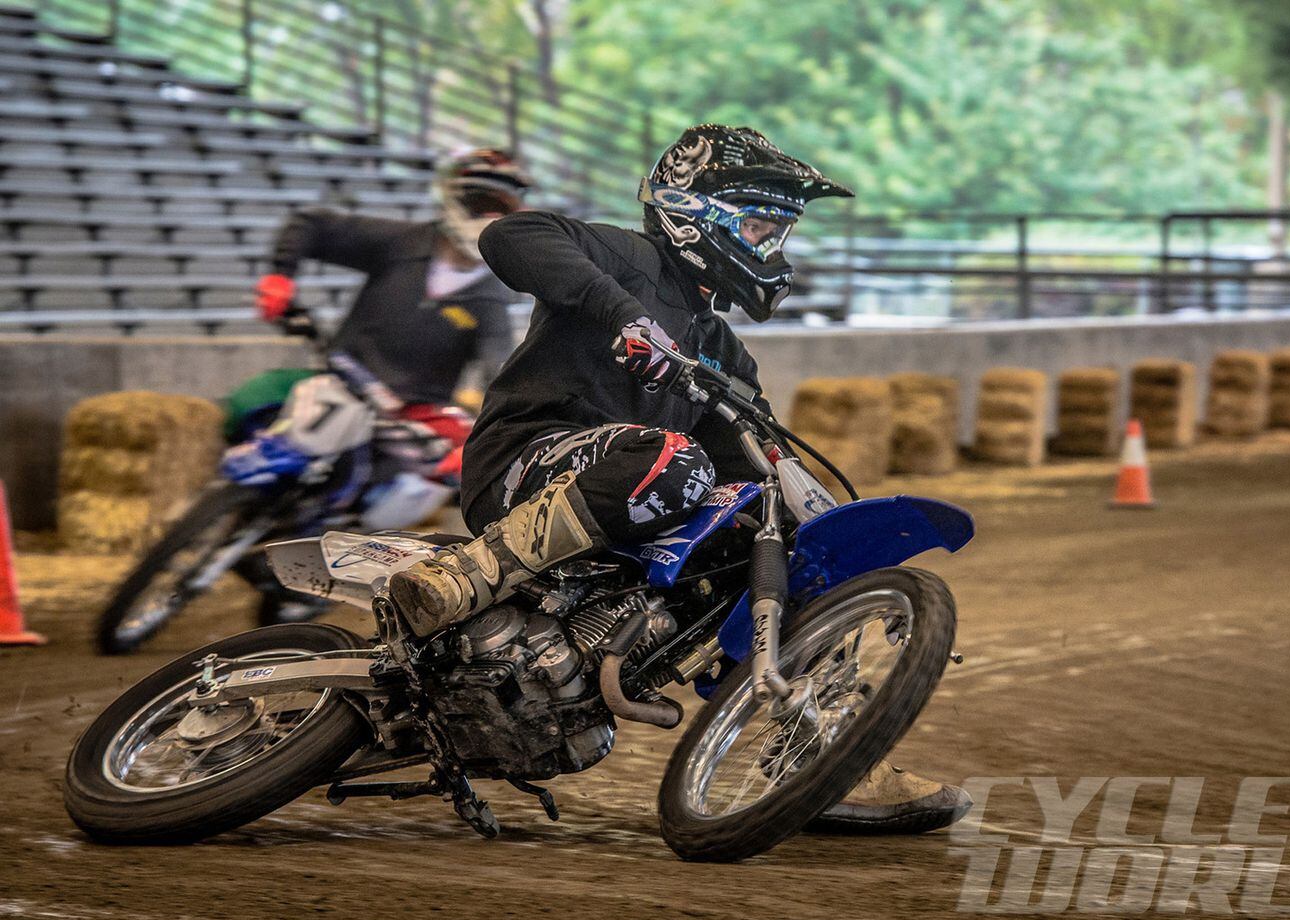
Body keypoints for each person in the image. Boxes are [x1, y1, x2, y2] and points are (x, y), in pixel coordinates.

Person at [389, 124, 969, 834]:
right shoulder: (629, 259)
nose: (772, 248)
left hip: (626, 512)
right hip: (526, 460)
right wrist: (623, 318)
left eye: (779, 233)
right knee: (675, 460)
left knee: (760, 536)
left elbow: (752, 457)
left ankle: (813, 749)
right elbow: (511, 239)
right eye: (760, 226)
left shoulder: (721, 348)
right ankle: (467, 576)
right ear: (698, 216)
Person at [250, 147, 532, 448]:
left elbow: (499, 373)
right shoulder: (401, 242)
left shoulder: (491, 299)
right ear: (455, 198)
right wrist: (280, 276)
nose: (489, 216)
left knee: (448, 480)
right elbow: (311, 224)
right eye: (482, 202)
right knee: (250, 403)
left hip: (412, 419)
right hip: (340, 385)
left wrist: (483, 441)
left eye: (501, 208)